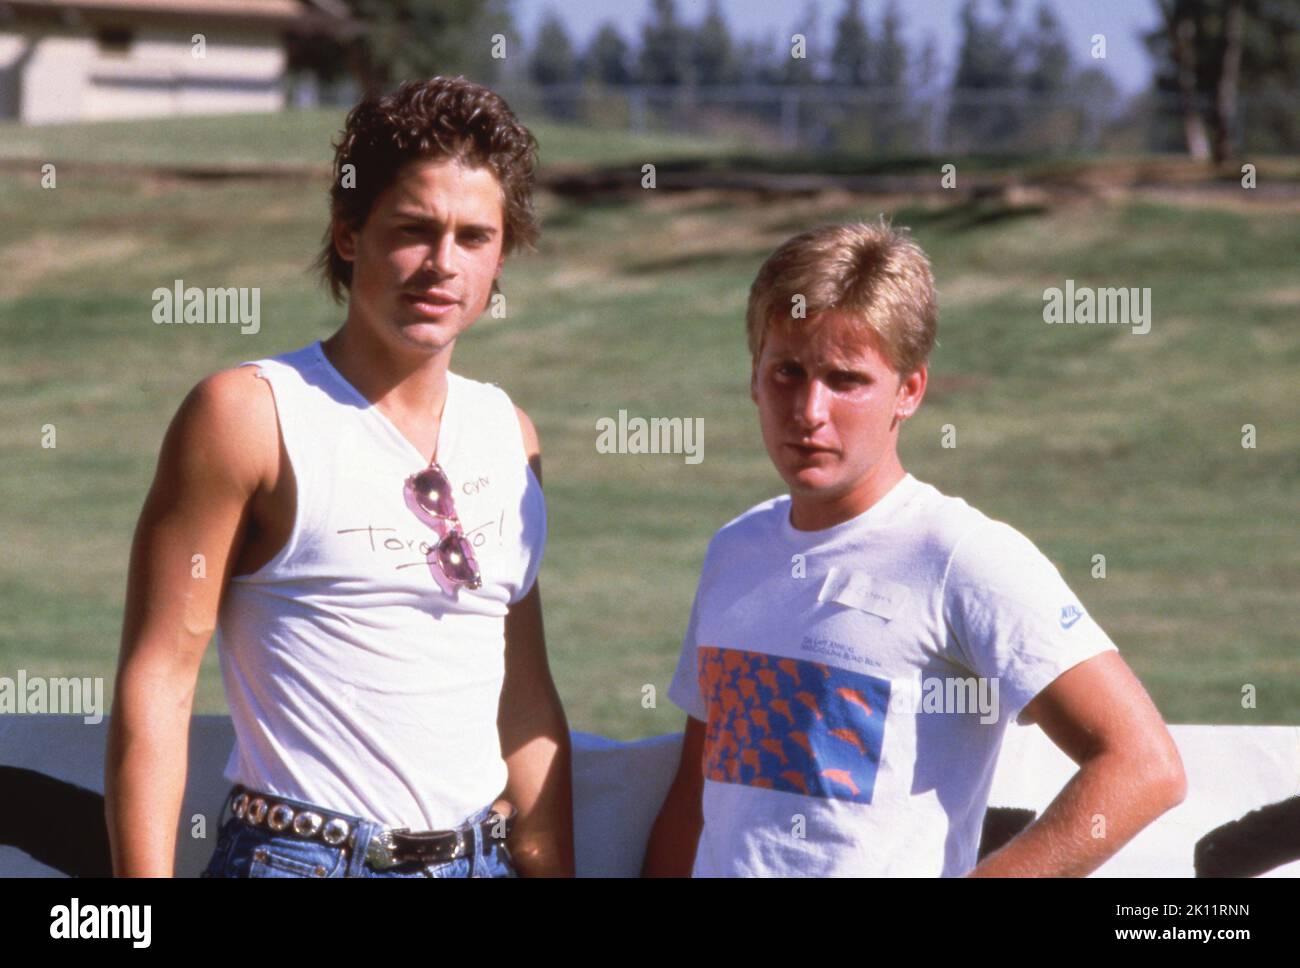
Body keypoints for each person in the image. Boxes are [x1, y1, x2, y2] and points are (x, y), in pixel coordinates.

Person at [106, 76, 573, 878]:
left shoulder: (510, 434)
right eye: (413, 229)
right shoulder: (249, 414)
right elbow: (158, 685)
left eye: (473, 237)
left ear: (503, 254)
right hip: (301, 859)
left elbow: (523, 698)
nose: (441, 264)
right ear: (350, 233)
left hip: (479, 860)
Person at [643, 219, 1186, 877]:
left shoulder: (960, 556)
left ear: (909, 391)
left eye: (846, 380)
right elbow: (696, 796)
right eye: (787, 371)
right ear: (754, 376)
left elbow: (1143, 765)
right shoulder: (736, 550)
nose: (809, 410)